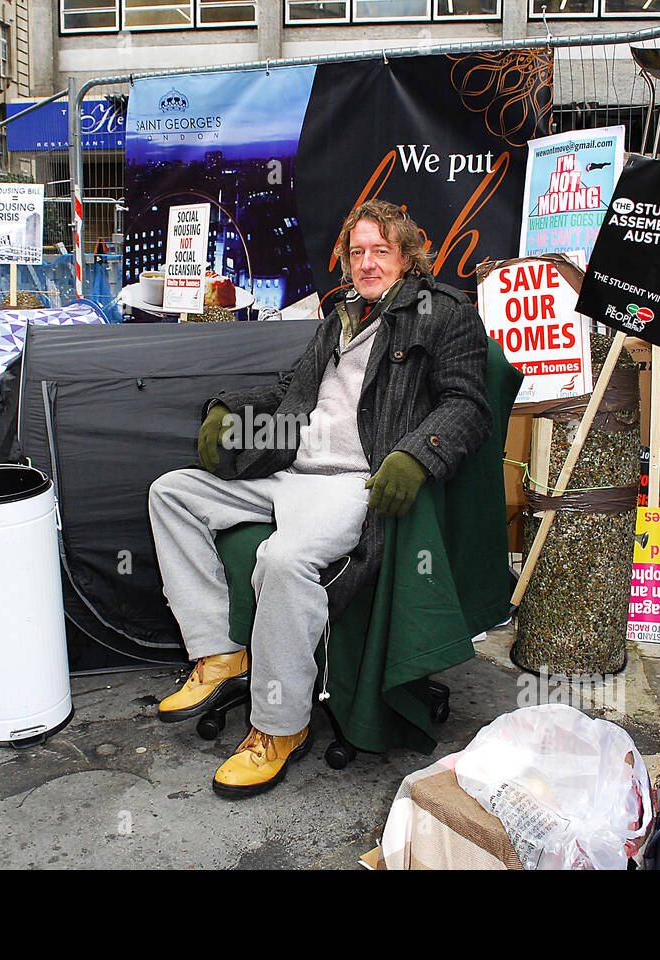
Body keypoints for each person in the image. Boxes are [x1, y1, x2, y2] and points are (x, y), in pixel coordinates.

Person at [147, 199, 493, 798]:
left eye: (379, 251)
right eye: (356, 252)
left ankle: (279, 728)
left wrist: (416, 454)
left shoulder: (443, 314)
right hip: (290, 467)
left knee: (281, 562)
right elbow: (296, 388)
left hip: (352, 481)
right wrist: (228, 408)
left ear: (408, 256)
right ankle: (220, 653)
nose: (366, 263)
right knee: (173, 493)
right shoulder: (339, 312)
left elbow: (467, 406)